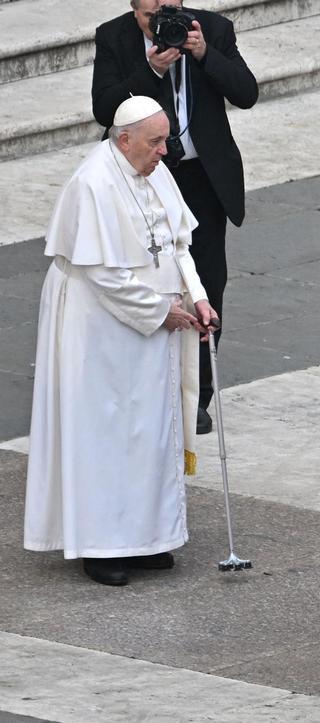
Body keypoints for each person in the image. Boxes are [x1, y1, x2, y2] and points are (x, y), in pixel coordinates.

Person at [23, 96, 218, 586]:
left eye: (166, 140)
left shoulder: (155, 172)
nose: (164, 153)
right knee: (105, 430)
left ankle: (148, 538)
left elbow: (177, 244)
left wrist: (196, 298)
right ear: (123, 138)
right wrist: (160, 311)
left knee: (149, 427)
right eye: (155, 142)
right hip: (99, 327)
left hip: (153, 325)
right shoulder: (92, 182)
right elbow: (101, 273)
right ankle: (102, 546)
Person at [92, 0, 258, 435]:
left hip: (204, 181)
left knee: (206, 285)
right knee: (148, 280)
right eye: (151, 14)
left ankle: (198, 395)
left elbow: (247, 93)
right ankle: (147, 386)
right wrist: (151, 72)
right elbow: (104, 109)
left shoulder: (213, 29)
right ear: (133, 6)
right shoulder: (114, 37)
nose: (162, 19)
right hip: (147, 176)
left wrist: (205, 54)